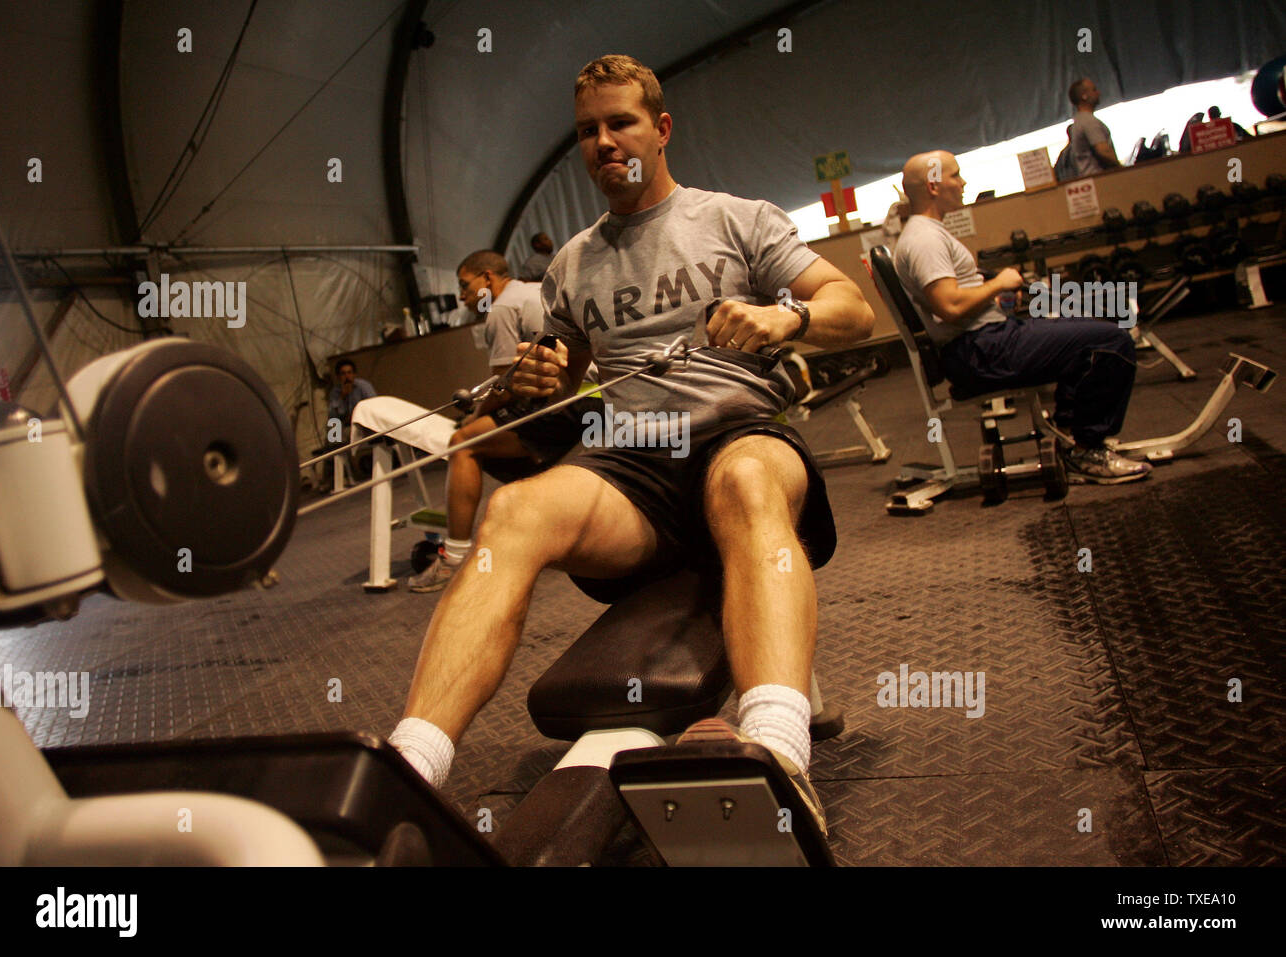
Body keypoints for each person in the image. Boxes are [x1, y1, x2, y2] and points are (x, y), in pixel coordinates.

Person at [389, 54, 875, 825]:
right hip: (632, 469)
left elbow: (855, 308)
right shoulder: (574, 263)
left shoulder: (736, 219)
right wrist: (540, 380)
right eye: (588, 130)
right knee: (512, 512)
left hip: (739, 436)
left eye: (621, 123)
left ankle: (779, 755)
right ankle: (410, 772)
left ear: (661, 129)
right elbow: (566, 371)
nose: (604, 141)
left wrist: (789, 318)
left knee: (746, 486)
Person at [892, 150, 1151, 484]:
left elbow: (955, 299)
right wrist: (1000, 282)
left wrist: (994, 294)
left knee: (1083, 329)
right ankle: (1089, 450)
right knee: (1111, 340)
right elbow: (950, 306)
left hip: (985, 340)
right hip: (982, 350)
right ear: (933, 186)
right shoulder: (925, 239)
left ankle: (1073, 431)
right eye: (955, 175)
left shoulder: (926, 233)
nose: (963, 182)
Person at [408, 249, 601, 592]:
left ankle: (451, 561)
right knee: (496, 439)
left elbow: (503, 387)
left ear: (488, 278)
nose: (462, 296)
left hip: (573, 401)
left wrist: (472, 423)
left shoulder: (499, 309)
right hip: (596, 399)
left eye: (466, 286)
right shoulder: (531, 289)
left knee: (463, 445)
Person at [320, 359, 376, 488]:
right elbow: (333, 418)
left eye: (349, 373)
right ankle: (338, 476)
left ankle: (334, 477)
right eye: (343, 374)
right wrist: (342, 398)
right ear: (339, 377)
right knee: (332, 433)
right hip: (347, 426)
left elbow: (373, 405)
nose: (347, 377)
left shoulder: (363, 386)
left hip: (364, 423)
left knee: (335, 437)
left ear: (354, 374)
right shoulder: (336, 392)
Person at [1068, 78, 1120, 175]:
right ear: (1084, 96)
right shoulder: (1089, 121)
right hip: (1100, 177)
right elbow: (1103, 151)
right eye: (1094, 90)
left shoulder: (1079, 120)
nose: (1098, 93)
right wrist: (1122, 168)